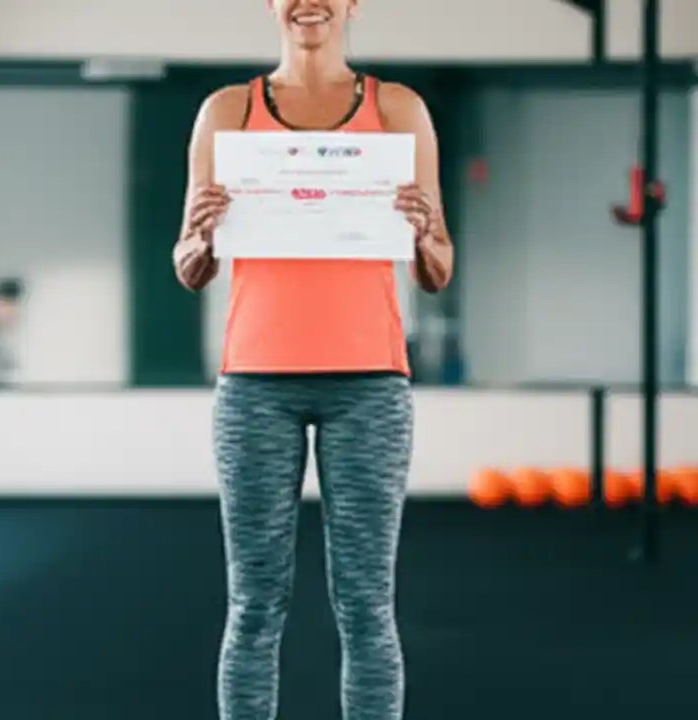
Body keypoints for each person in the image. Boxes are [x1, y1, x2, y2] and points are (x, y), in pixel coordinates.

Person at [171, 1, 454, 717]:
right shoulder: (227, 111)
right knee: (254, 603)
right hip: (254, 385)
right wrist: (201, 238)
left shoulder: (398, 109)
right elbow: (188, 265)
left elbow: (439, 267)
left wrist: (424, 233)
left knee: (366, 605)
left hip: (370, 384)